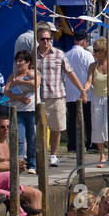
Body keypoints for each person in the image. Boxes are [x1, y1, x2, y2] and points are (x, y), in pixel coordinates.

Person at [35, 24, 76, 165]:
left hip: (57, 95)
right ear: (37, 39)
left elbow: (70, 72)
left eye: (48, 39)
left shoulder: (59, 54)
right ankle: (39, 154)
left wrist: (81, 89)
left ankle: (53, 154)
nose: (46, 41)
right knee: (39, 128)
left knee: (56, 128)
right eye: (42, 39)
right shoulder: (32, 56)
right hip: (39, 97)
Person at [4, 49, 38, 172]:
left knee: (32, 138)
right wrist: (18, 98)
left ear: (28, 62)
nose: (18, 63)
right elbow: (6, 91)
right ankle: (19, 164)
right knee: (19, 138)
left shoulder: (31, 73)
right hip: (17, 110)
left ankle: (32, 164)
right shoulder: (13, 75)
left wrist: (20, 81)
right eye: (17, 60)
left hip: (31, 110)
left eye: (21, 61)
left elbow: (36, 83)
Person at [64, 30, 94, 154]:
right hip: (86, 91)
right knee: (88, 119)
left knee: (71, 119)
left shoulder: (66, 54)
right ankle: (89, 143)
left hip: (70, 92)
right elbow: (91, 72)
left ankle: (72, 144)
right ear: (83, 41)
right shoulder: (87, 55)